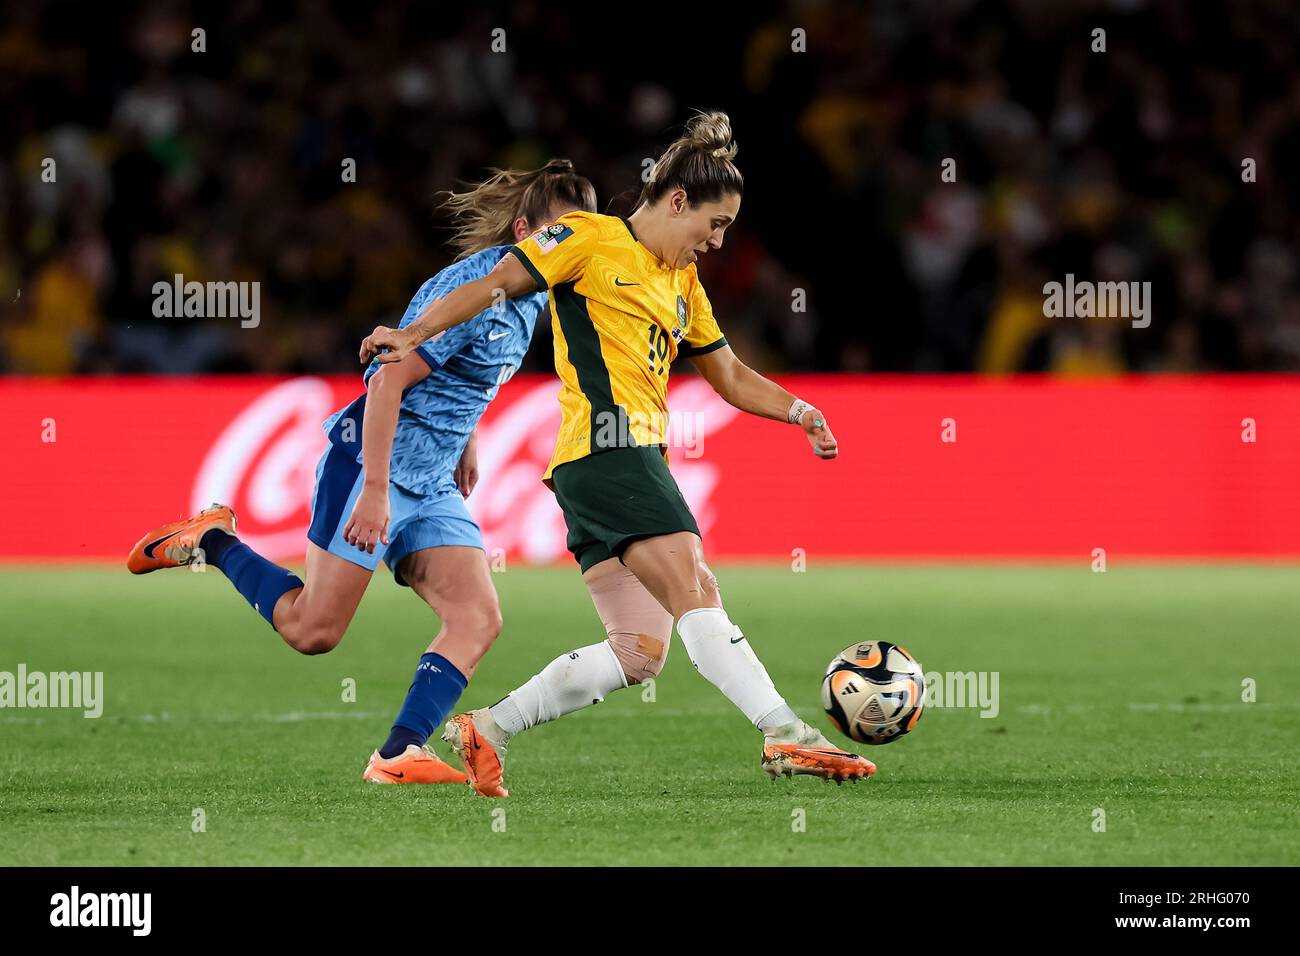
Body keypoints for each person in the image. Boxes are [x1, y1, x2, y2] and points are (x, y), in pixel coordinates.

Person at [360, 113, 874, 797]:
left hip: (611, 465)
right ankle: (785, 732)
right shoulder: (589, 238)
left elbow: (729, 375)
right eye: (714, 225)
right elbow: (495, 284)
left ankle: (491, 726)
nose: (717, 243)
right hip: (611, 451)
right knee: (697, 585)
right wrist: (415, 331)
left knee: (640, 651)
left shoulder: (681, 284)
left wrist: (800, 412)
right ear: (677, 201)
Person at [127, 160, 598, 785]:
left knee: (477, 618)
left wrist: (467, 437)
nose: (568, 249)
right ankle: (212, 539)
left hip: (428, 480)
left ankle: (398, 754)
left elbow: (456, 374)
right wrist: (375, 490)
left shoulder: (530, 298)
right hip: (371, 465)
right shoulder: (483, 290)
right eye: (557, 235)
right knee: (312, 630)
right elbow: (388, 379)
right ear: (522, 231)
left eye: (580, 235)